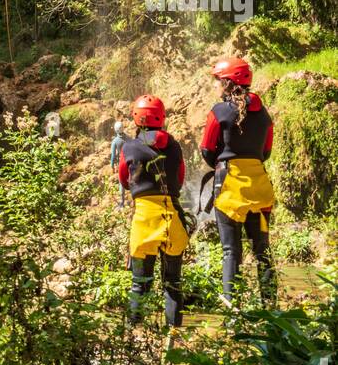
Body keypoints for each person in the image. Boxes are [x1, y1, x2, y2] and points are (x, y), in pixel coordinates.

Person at [200, 56, 276, 307]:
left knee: (231, 251)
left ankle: (233, 307)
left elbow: (206, 149)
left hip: (230, 185)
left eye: (219, 81)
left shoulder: (219, 111)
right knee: (262, 251)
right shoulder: (264, 113)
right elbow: (266, 151)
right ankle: (271, 307)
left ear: (229, 83)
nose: (216, 86)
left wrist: (221, 163)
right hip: (260, 187)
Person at [119, 95, 188, 329]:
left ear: (137, 119)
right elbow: (179, 178)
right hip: (171, 219)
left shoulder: (128, 146)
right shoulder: (174, 145)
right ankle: (174, 337)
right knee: (173, 282)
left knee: (139, 283)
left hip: (144, 220)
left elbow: (124, 179)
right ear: (161, 117)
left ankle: (133, 333)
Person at [109, 119, 126, 207]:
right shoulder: (128, 138)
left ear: (115, 130)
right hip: (130, 162)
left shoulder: (115, 141)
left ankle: (122, 203)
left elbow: (113, 156)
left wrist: (112, 166)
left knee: (121, 183)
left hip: (121, 164)